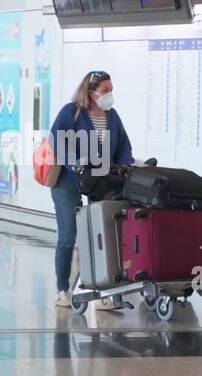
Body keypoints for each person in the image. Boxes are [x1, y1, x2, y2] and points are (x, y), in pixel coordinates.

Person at [49, 70, 134, 309]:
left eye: (111, 89)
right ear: (91, 91)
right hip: (69, 178)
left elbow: (123, 146)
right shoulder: (71, 111)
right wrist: (74, 162)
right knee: (68, 236)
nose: (109, 94)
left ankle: (104, 290)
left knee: (106, 234)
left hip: (100, 177)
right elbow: (57, 140)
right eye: (105, 90)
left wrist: (125, 166)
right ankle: (62, 289)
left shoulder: (112, 116)